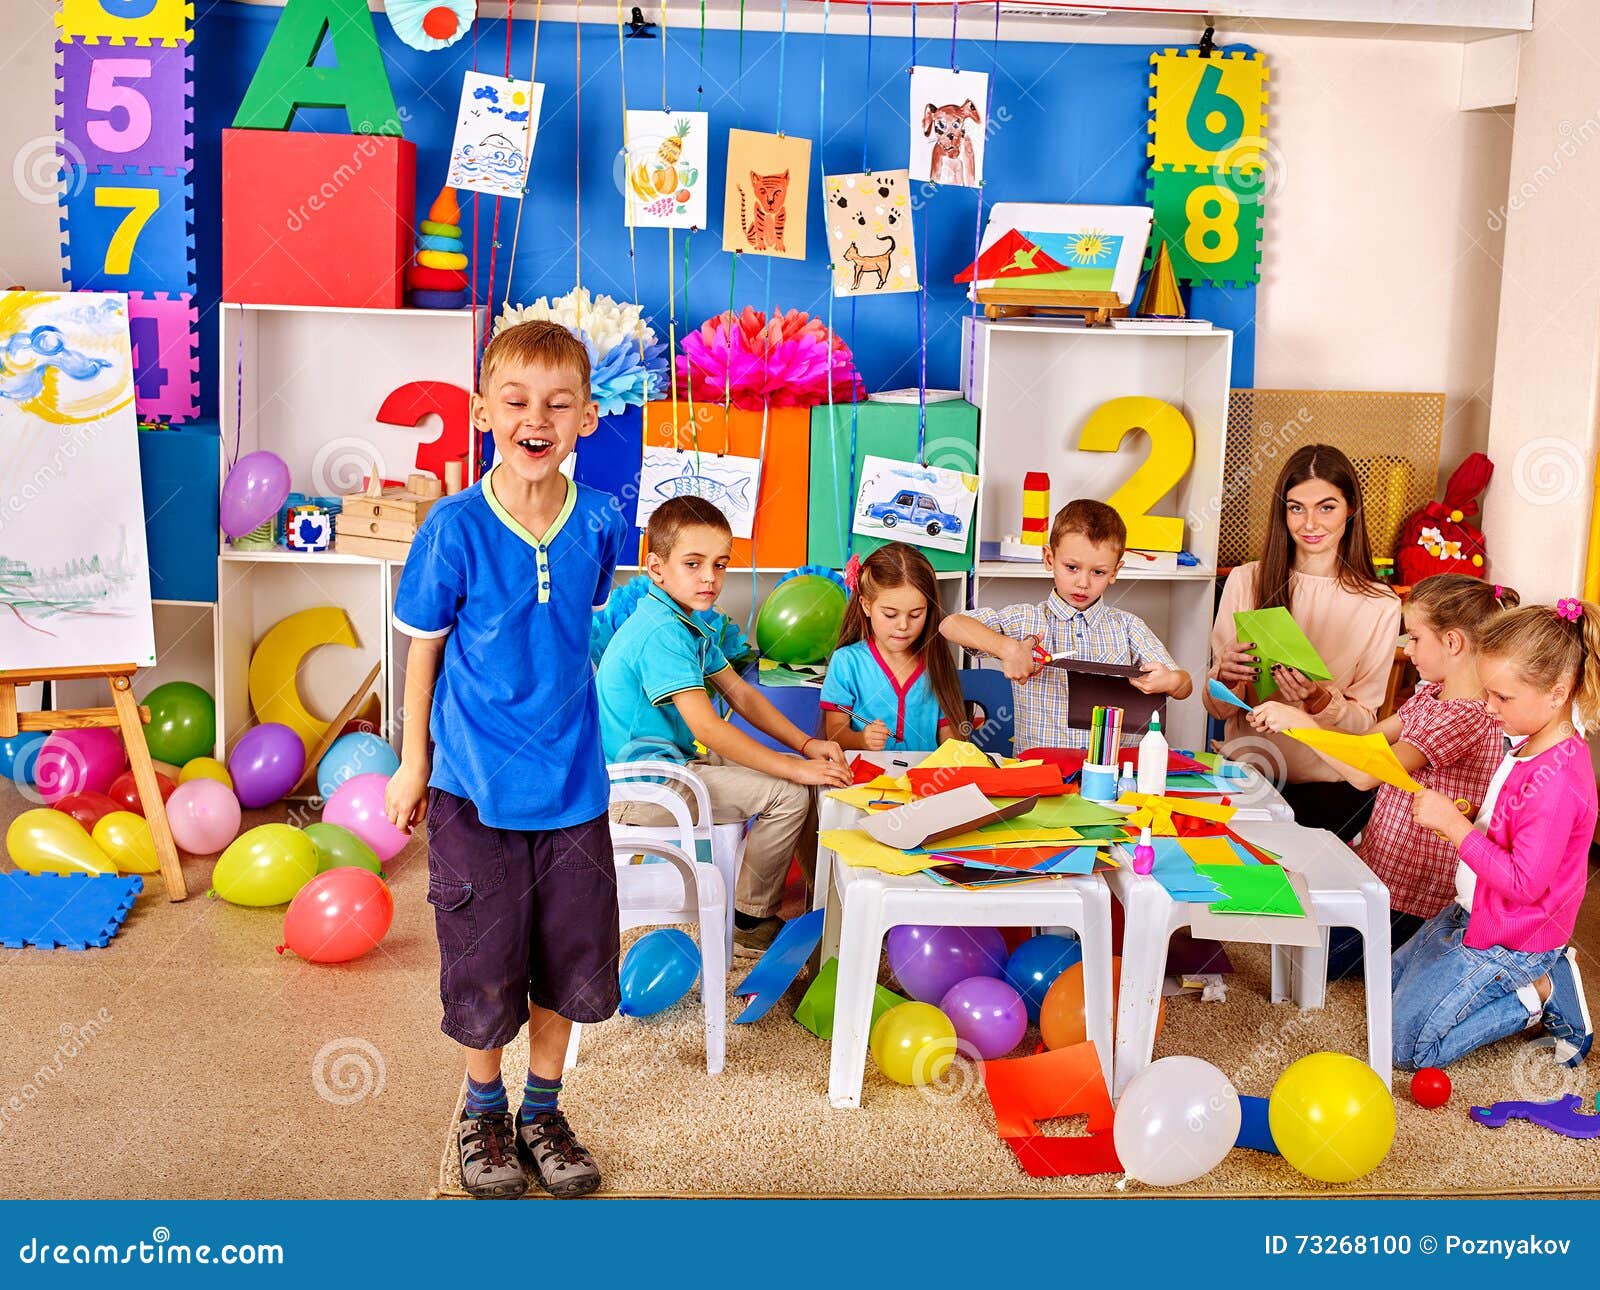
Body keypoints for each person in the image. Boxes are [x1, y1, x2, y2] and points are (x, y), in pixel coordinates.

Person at [385, 320, 630, 1200]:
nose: (538, 419)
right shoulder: (453, 526)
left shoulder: (601, 521)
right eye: (517, 402)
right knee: (484, 956)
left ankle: (543, 1107)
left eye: (559, 404)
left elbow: (584, 619)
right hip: (471, 787)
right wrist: (413, 763)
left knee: (570, 952)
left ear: (588, 417)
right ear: (483, 410)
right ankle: (483, 1109)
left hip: (573, 785)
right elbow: (422, 650)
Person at [596, 496, 852, 955]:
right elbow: (709, 727)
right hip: (638, 787)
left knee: (798, 770)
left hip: (669, 762)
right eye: (692, 564)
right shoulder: (661, 633)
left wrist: (807, 745)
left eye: (719, 564)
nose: (709, 578)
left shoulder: (687, 622)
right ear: (655, 568)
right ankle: (750, 919)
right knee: (789, 792)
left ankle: (827, 899)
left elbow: (743, 694)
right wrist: (793, 771)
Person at [1249, 574, 1516, 976]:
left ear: (1452, 642)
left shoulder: (1468, 716)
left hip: (1419, 897)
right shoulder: (1430, 696)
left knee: (1313, 964)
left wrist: (1300, 726)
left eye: (1414, 638)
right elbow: (1365, 743)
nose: (1408, 650)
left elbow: (1365, 774)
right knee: (1291, 928)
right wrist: (1307, 711)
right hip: (1382, 873)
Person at [1395, 598, 1600, 1070]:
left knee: (1407, 1049)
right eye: (1487, 693)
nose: (1489, 708)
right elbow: (1509, 823)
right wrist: (1473, 817)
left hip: (1513, 936)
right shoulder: (1528, 743)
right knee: (1385, 992)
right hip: (1471, 912)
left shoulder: (1558, 781)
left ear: (1558, 691)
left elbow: (1526, 884)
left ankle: (1539, 992)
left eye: (1502, 698)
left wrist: (1453, 824)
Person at [1203, 444, 1401, 841]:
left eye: (1326, 507)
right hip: (1246, 778)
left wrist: (1318, 701)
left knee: (1310, 898)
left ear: (1351, 509)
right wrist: (1222, 677)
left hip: (1328, 791)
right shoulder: (1246, 580)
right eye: (1296, 508)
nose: (1309, 522)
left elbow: (1365, 724)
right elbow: (1218, 708)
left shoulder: (1381, 603)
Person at [940, 499, 1191, 752]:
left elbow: (1184, 686)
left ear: (1115, 571)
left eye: (1098, 572)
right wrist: (1007, 648)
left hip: (1112, 776)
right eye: (1071, 567)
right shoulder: (1026, 619)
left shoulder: (1128, 627)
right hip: (1039, 772)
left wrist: (1170, 680)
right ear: (1049, 558)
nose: (1083, 582)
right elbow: (951, 624)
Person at [820, 542, 970, 752]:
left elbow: (950, 737)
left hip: (925, 780)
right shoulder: (847, 662)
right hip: (865, 780)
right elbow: (835, 732)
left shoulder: (935, 661)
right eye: (890, 614)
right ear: (866, 606)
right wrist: (861, 740)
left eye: (916, 614)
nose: (903, 626)